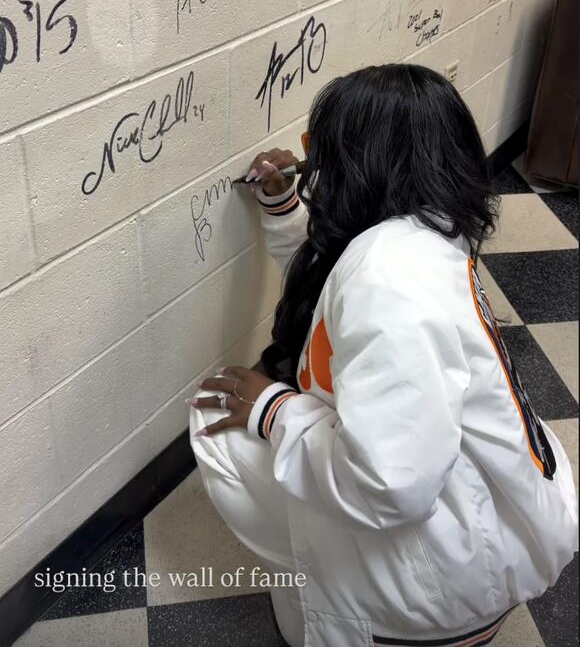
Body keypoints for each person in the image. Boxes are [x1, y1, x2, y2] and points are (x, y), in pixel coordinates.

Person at [189, 63, 578, 647]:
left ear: (358, 162)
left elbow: (390, 486)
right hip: (489, 527)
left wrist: (275, 411)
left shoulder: (389, 281)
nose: (309, 159)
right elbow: (335, 287)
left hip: (440, 589)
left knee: (213, 423)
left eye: (317, 149)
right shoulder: (426, 232)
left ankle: (368, 606)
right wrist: (284, 207)